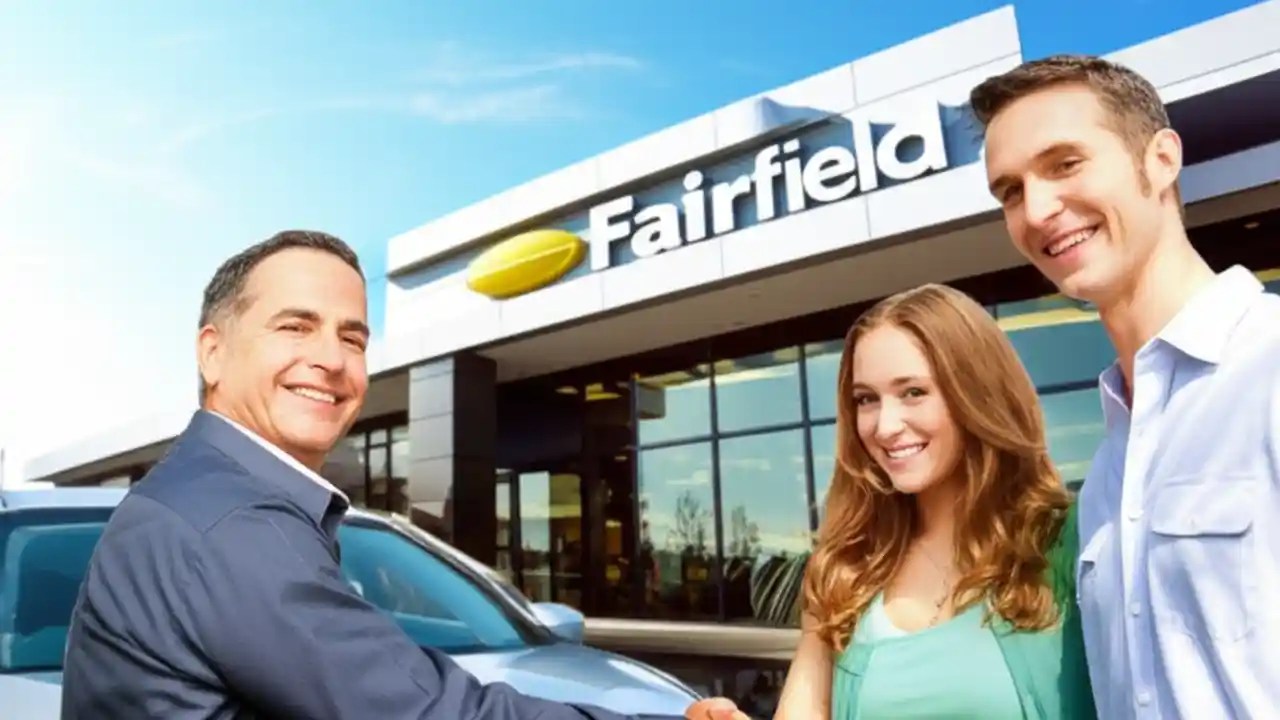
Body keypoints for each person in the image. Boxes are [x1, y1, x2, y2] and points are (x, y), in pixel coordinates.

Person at [60, 230, 701, 719]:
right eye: (295, 327)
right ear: (213, 352)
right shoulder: (230, 521)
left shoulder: (209, 497)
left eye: (354, 339)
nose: (332, 360)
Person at [971, 54, 1280, 717]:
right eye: (1010, 191)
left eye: (1064, 164)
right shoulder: (1111, 467)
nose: (1038, 209)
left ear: (1162, 159)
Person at [694, 284, 1095, 719]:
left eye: (913, 393)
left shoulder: (1074, 543)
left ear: (978, 394)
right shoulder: (845, 570)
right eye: (866, 399)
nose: (884, 427)